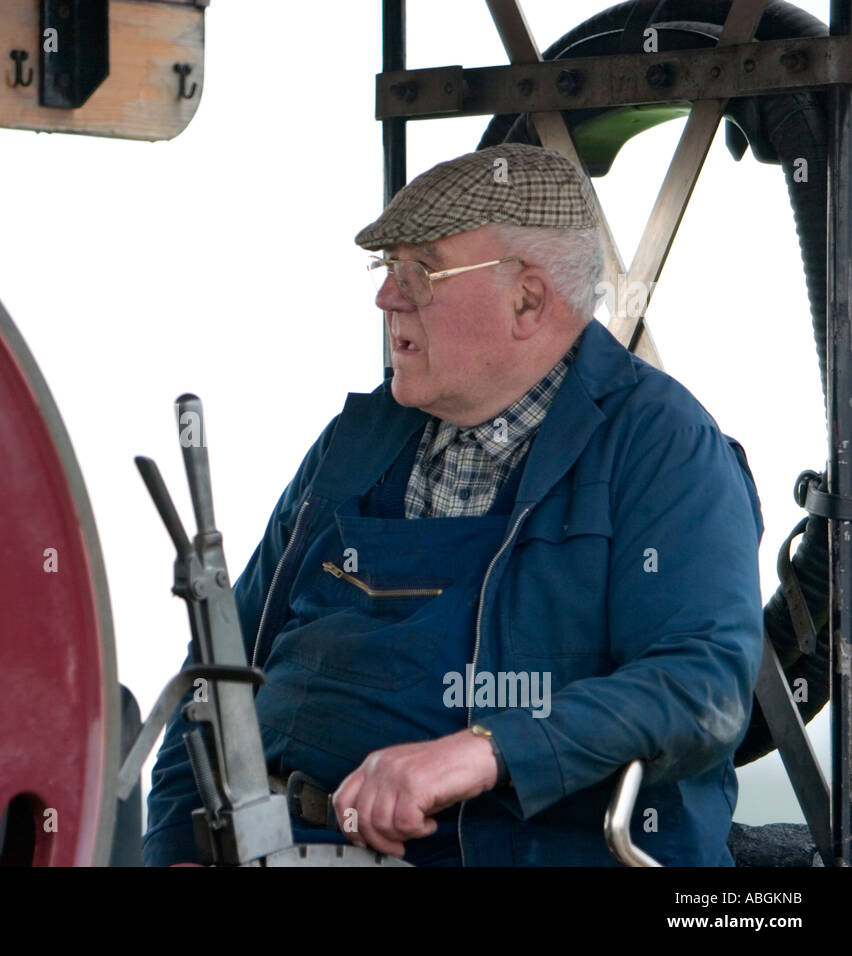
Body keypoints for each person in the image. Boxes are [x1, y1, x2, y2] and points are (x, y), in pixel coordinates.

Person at [142, 142, 765, 866]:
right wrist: (170, 849)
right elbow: (220, 665)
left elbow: (702, 686)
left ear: (528, 299)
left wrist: (487, 750)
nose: (386, 297)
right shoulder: (357, 441)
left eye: (421, 271)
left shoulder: (664, 447)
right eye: (386, 270)